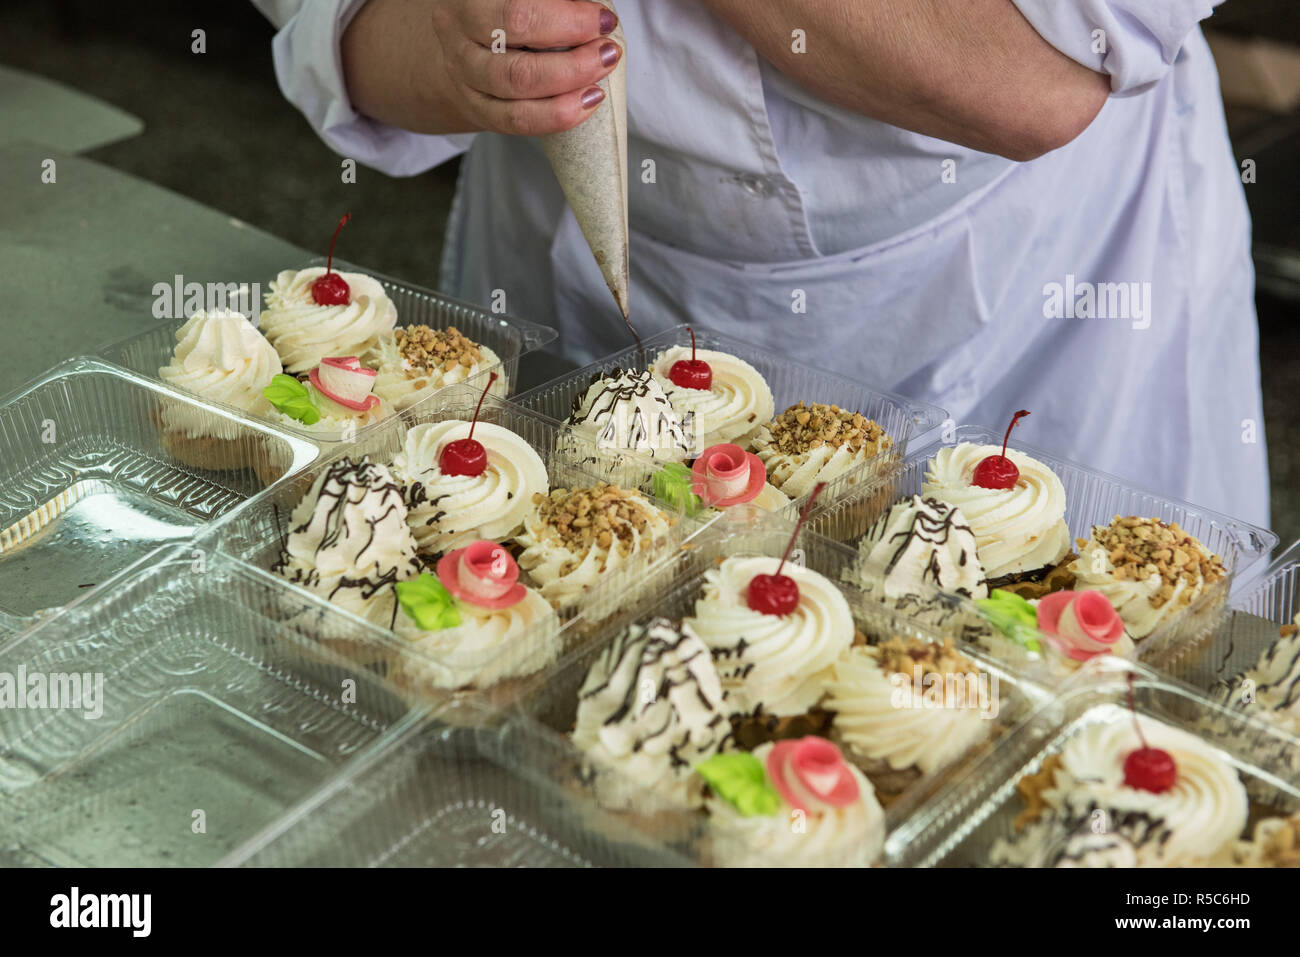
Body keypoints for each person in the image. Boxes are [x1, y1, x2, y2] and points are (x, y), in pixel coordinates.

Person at [252, 0, 1269, 527]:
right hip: (560, 252)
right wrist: (451, 50)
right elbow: (337, 24)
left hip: (1016, 303)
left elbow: (1030, 76)